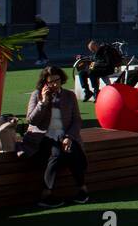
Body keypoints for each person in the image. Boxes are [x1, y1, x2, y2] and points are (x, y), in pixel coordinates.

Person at [24, 66, 89, 208]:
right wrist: (43, 102)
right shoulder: (37, 95)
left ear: (61, 79)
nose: (54, 84)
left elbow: (77, 120)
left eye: (56, 80)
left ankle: (82, 190)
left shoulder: (69, 95)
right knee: (57, 153)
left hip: (64, 135)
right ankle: (46, 195)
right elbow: (31, 120)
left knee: (73, 151)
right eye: (50, 82)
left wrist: (69, 137)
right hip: (42, 137)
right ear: (45, 83)